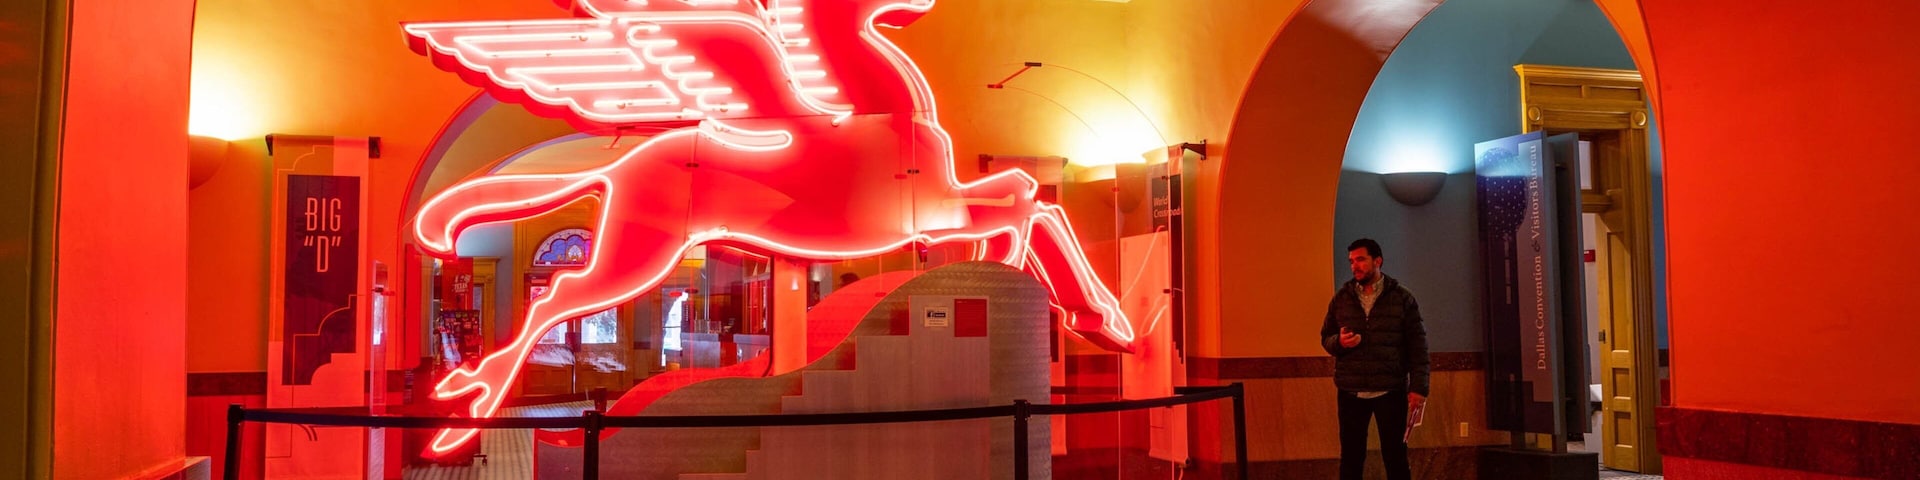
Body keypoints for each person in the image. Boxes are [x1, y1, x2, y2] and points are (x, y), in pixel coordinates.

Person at [1320, 238, 1430, 480]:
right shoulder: (1342, 298)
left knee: (1395, 456)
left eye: (1360, 259)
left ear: (1377, 261)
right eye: (1351, 261)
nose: (1354, 266)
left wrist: (1418, 388)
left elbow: (1418, 347)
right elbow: (1326, 337)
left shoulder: (1402, 298)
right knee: (1351, 456)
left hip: (1390, 390)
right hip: (1351, 391)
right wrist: (1340, 343)